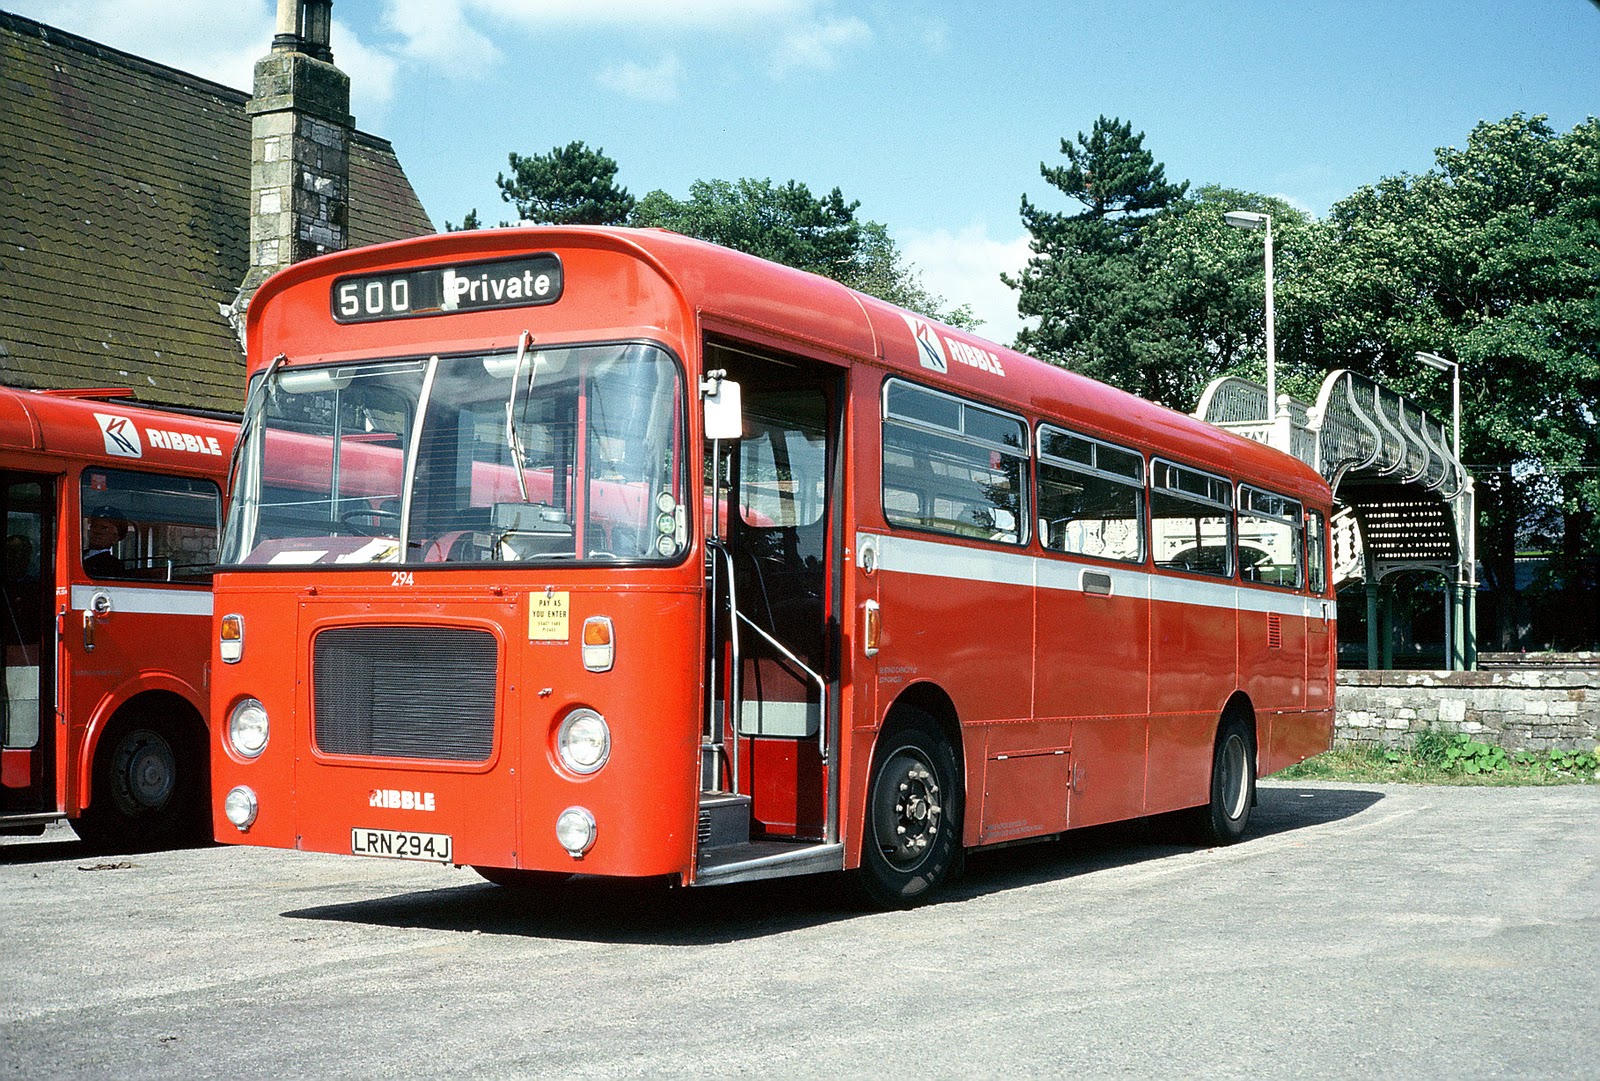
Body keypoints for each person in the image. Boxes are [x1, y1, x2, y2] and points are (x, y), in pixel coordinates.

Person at [82, 509, 130, 577]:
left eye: (104, 528)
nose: (97, 531)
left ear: (115, 538)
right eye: (94, 526)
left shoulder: (113, 565)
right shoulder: (80, 554)